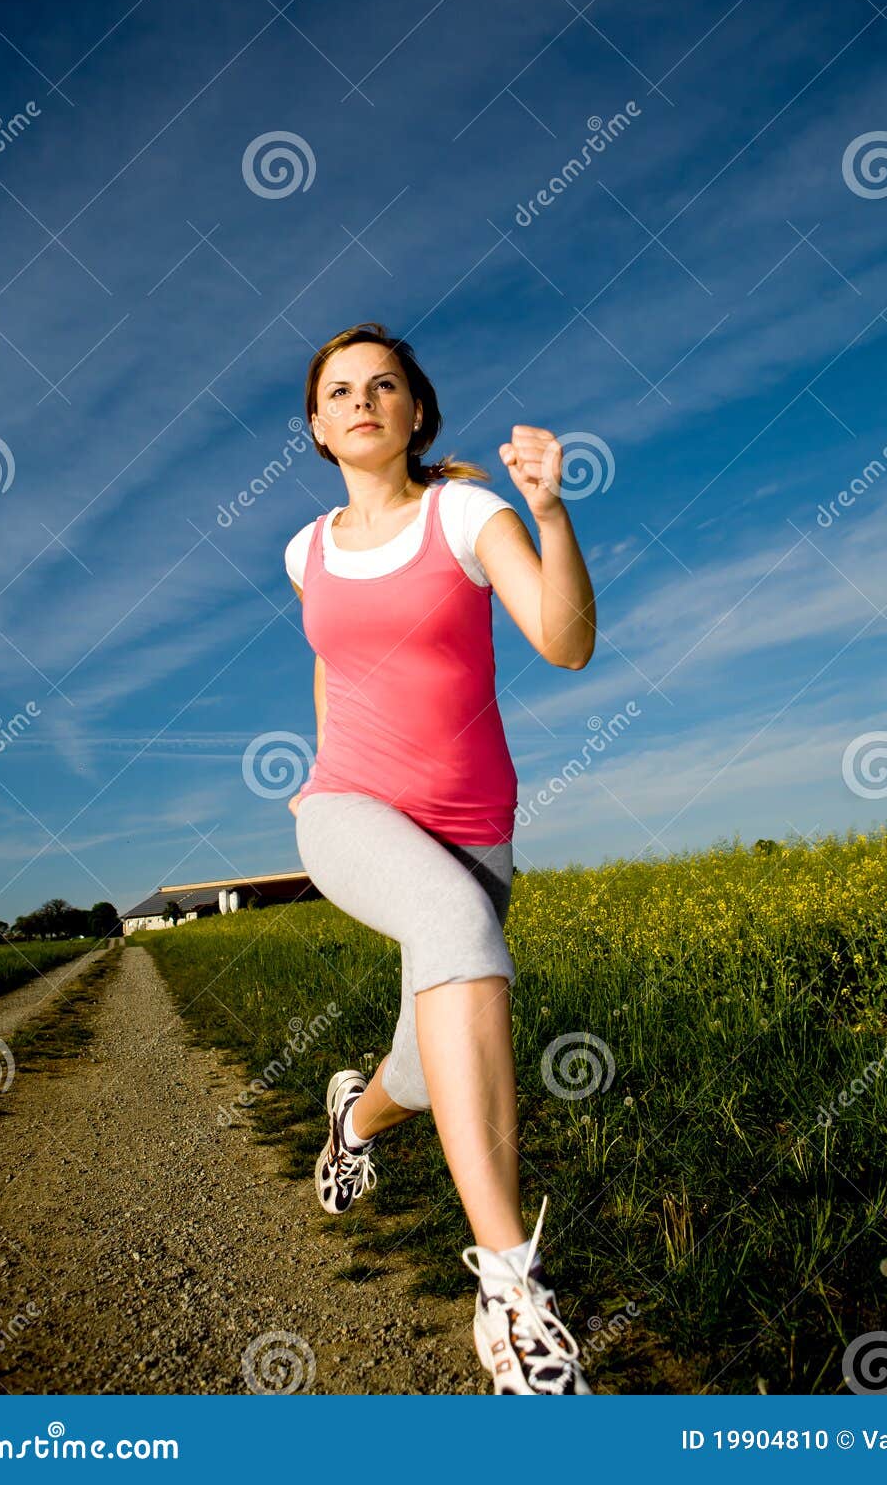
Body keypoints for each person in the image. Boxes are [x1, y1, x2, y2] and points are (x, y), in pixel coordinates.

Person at [284, 320, 597, 1395]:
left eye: (383, 385)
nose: (360, 401)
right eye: (337, 392)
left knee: (423, 1064)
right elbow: (335, 664)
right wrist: (327, 765)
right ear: (318, 429)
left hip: (470, 828)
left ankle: (351, 1118)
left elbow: (561, 640)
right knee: (461, 940)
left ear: (416, 411)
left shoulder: (466, 513)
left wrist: (549, 517)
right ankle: (512, 1292)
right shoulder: (304, 548)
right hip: (346, 808)